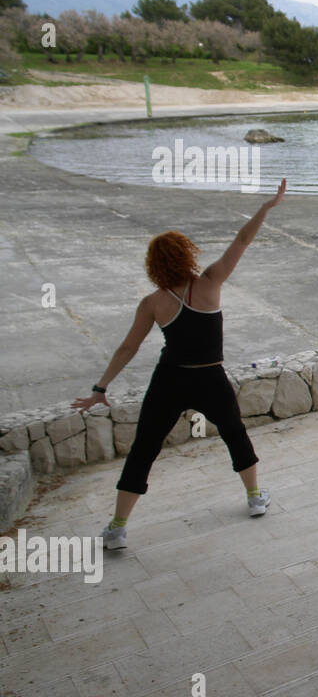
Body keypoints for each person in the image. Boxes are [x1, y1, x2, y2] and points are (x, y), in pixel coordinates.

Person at [73, 179, 289, 549]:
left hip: (169, 379)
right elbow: (241, 242)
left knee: (145, 448)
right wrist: (265, 209)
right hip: (210, 377)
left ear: (154, 266)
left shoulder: (153, 302)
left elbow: (128, 348)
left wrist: (100, 389)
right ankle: (255, 497)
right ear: (186, 254)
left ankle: (118, 528)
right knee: (234, 433)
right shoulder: (209, 282)